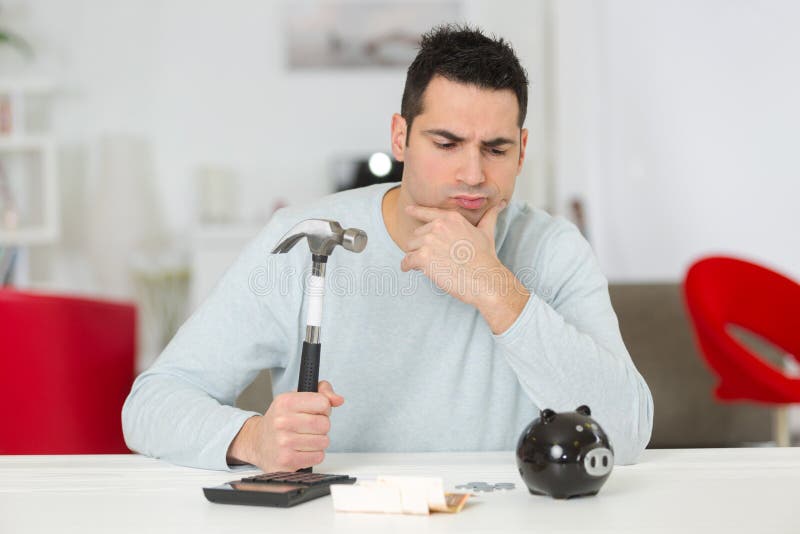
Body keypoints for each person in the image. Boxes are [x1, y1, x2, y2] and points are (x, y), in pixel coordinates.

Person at [123, 24, 653, 472]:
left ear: (522, 150)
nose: (473, 174)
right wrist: (252, 439)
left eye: (496, 148)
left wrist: (495, 290)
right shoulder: (305, 237)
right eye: (445, 144)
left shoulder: (554, 250)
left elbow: (625, 434)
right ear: (400, 138)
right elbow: (151, 404)